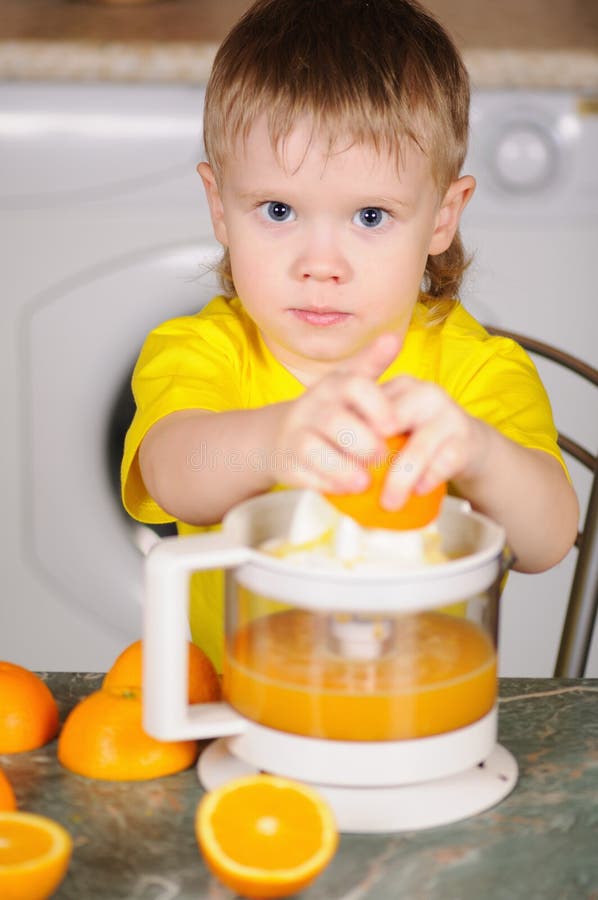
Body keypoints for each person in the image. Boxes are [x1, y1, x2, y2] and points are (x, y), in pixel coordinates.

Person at [122, 0, 578, 670]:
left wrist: (480, 457)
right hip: (248, 710)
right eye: (278, 210)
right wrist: (273, 445)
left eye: (370, 215)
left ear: (442, 218)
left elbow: (548, 540)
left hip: (423, 711)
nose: (321, 265)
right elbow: (174, 473)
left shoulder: (477, 369)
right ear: (221, 208)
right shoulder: (200, 351)